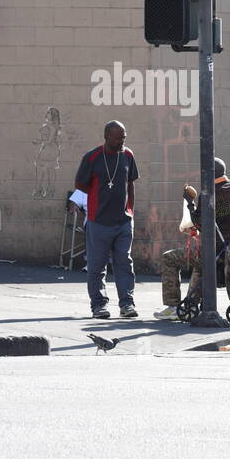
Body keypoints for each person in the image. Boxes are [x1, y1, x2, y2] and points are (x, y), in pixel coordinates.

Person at [156, 159, 230, 320]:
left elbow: (198, 223)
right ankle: (191, 303)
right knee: (199, 265)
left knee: (169, 257)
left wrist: (190, 202)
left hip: (217, 252)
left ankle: (172, 306)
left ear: (207, 174)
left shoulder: (210, 194)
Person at [74, 121, 140, 319]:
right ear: (107, 136)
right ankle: (99, 305)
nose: (122, 141)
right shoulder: (92, 157)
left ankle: (127, 304)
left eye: (124, 137)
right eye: (118, 137)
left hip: (123, 221)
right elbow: (81, 185)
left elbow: (131, 184)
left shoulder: (128, 155)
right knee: (97, 266)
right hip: (99, 221)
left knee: (124, 264)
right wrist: (96, 201)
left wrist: (131, 212)